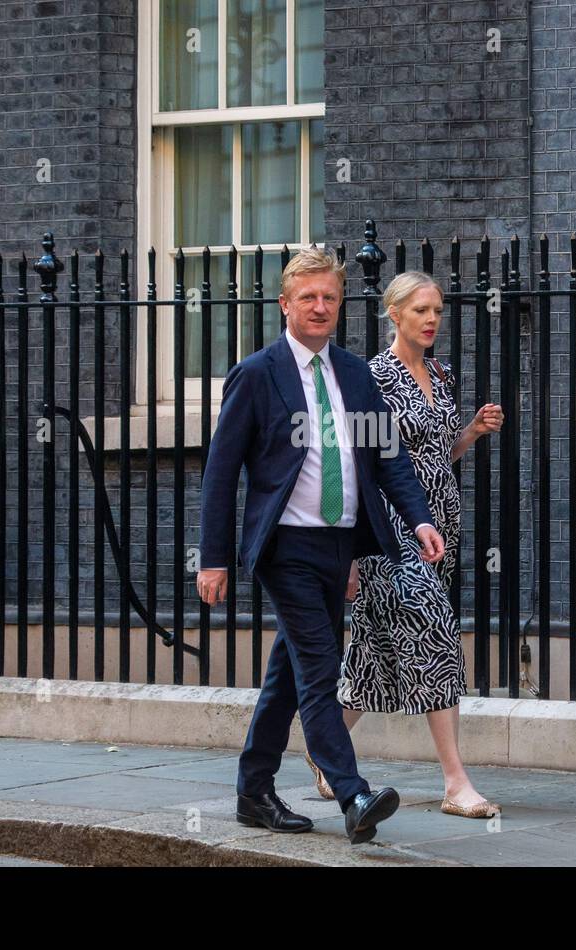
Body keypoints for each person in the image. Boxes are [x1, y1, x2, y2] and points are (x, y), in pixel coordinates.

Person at [197, 248, 447, 845]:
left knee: (288, 672)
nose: (319, 306)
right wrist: (212, 558)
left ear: (340, 305)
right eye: (307, 297)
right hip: (285, 547)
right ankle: (353, 794)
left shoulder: (356, 375)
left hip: (340, 547)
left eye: (329, 297)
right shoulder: (257, 374)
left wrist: (418, 520)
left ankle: (254, 790)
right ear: (285, 304)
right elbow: (219, 471)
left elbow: (387, 459)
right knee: (319, 666)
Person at [304, 270, 505, 817]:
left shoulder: (441, 374)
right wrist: (349, 551)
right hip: (389, 535)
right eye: (421, 310)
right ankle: (456, 782)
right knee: (437, 635)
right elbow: (360, 468)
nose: (432, 319)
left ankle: (324, 746)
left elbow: (441, 455)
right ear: (395, 314)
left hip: (439, 529)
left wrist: (473, 432)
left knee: (374, 657)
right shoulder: (372, 378)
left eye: (437, 310)